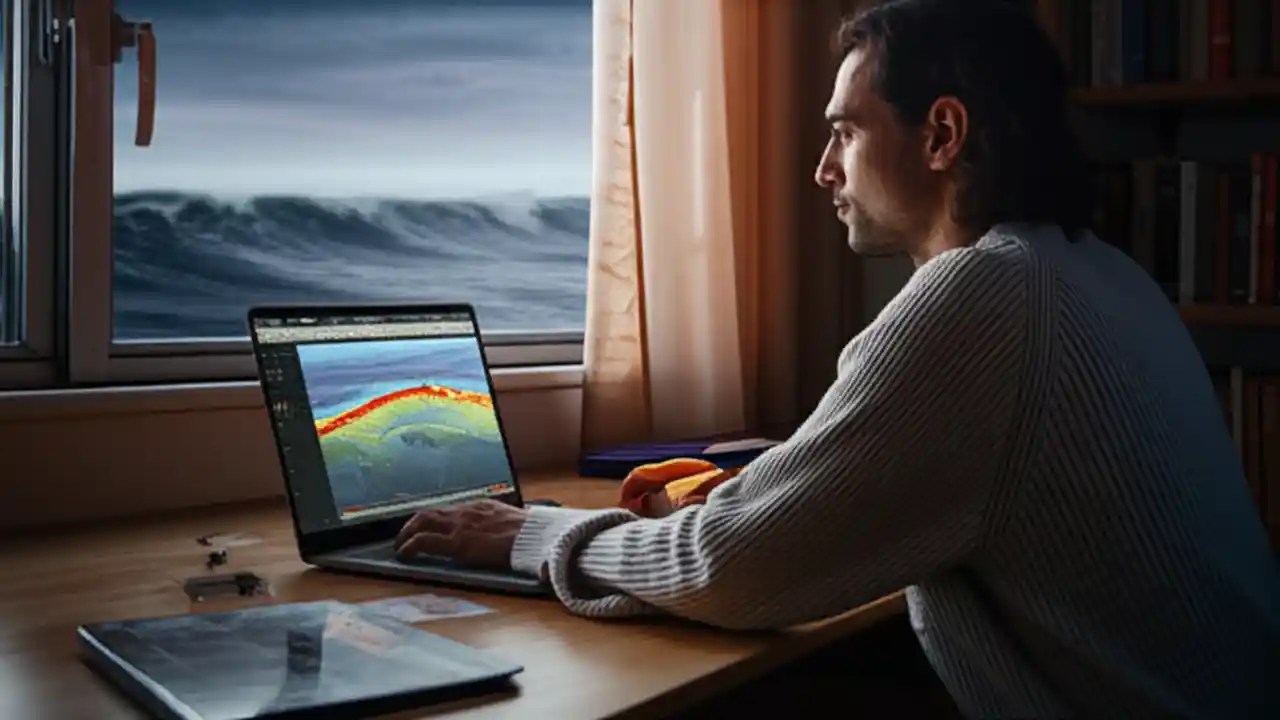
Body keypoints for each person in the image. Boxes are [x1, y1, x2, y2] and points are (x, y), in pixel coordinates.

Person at [396, 0, 1280, 716]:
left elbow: (735, 570)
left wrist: (533, 534)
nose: (822, 169)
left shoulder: (985, 297)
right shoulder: (1102, 274)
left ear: (941, 136)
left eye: (845, 133)